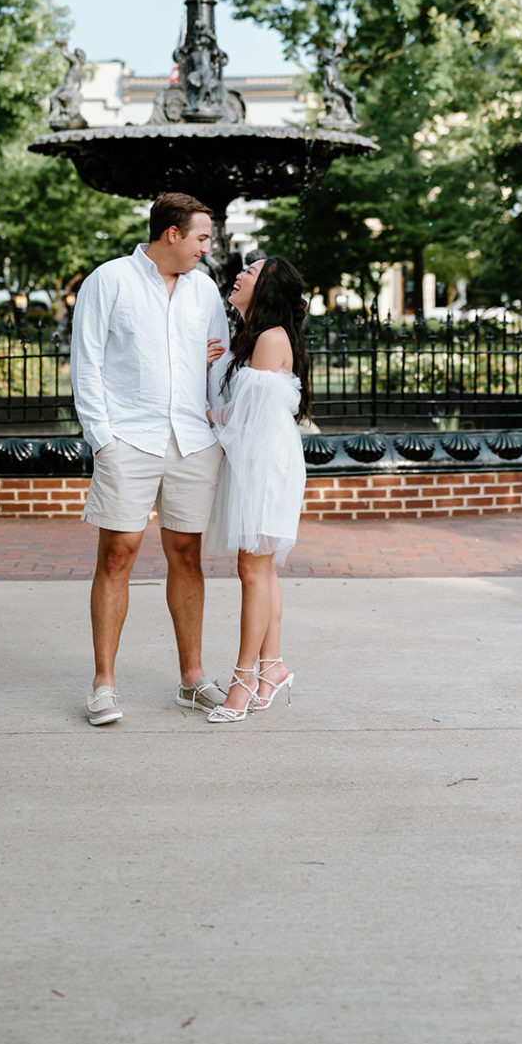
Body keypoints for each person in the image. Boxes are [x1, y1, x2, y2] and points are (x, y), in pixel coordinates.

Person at [70, 192, 230, 726]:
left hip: (191, 440)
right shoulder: (109, 280)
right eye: (202, 238)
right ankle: (103, 685)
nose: (208, 248)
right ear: (172, 235)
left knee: (188, 555)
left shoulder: (204, 290)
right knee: (117, 554)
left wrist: (215, 416)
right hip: (129, 439)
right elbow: (86, 362)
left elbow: (219, 360)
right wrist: (102, 438)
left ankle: (192, 679)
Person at [204, 257, 311, 724]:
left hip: (266, 465)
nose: (240, 273)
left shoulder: (270, 339)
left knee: (253, 569)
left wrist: (202, 417)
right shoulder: (255, 340)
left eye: (251, 270)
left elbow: (243, 416)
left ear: (265, 287)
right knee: (262, 570)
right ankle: (273, 668)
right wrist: (223, 359)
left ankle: (244, 677)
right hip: (259, 460)